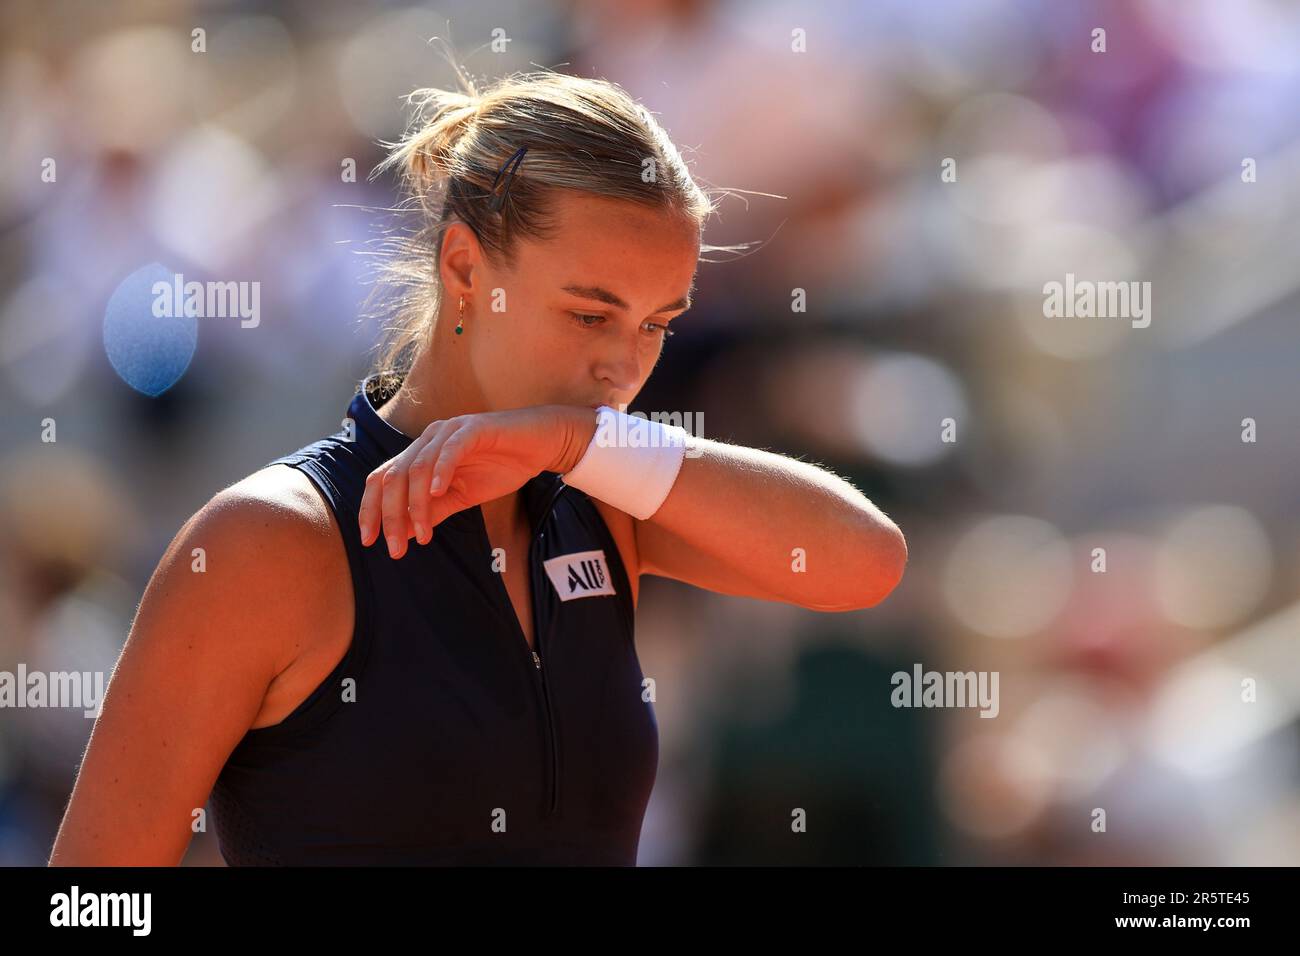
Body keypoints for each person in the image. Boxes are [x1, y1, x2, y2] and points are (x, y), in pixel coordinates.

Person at [49, 64, 906, 866]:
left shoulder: (604, 498)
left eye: (656, 324)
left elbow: (866, 562)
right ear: (464, 267)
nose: (625, 368)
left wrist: (582, 445)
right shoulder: (269, 539)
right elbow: (86, 905)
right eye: (588, 315)